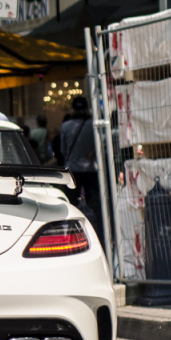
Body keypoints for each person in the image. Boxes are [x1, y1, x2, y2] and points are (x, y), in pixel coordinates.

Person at [60, 96, 102, 237]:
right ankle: (95, 229)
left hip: (72, 170)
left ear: (73, 108)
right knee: (94, 202)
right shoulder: (93, 125)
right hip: (90, 169)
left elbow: (63, 150)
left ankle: (73, 231)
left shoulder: (66, 126)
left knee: (71, 203)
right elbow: (100, 145)